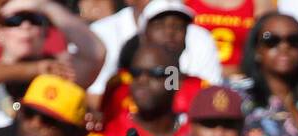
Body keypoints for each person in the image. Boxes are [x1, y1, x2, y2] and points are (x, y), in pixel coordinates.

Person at [0, 0, 106, 136]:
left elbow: (96, 53)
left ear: (44, 32)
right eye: (13, 21)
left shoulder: (58, 70)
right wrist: (35, 69)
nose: (26, 26)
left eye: (34, 20)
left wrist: (45, 6)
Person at [87, 0, 223, 101]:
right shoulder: (121, 83)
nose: (170, 32)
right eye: (160, 25)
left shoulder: (197, 86)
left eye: (178, 26)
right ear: (143, 33)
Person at [98, 39, 193, 136]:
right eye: (136, 73)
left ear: (174, 81)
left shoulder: (196, 134)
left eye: (155, 73)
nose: (142, 80)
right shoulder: (110, 133)